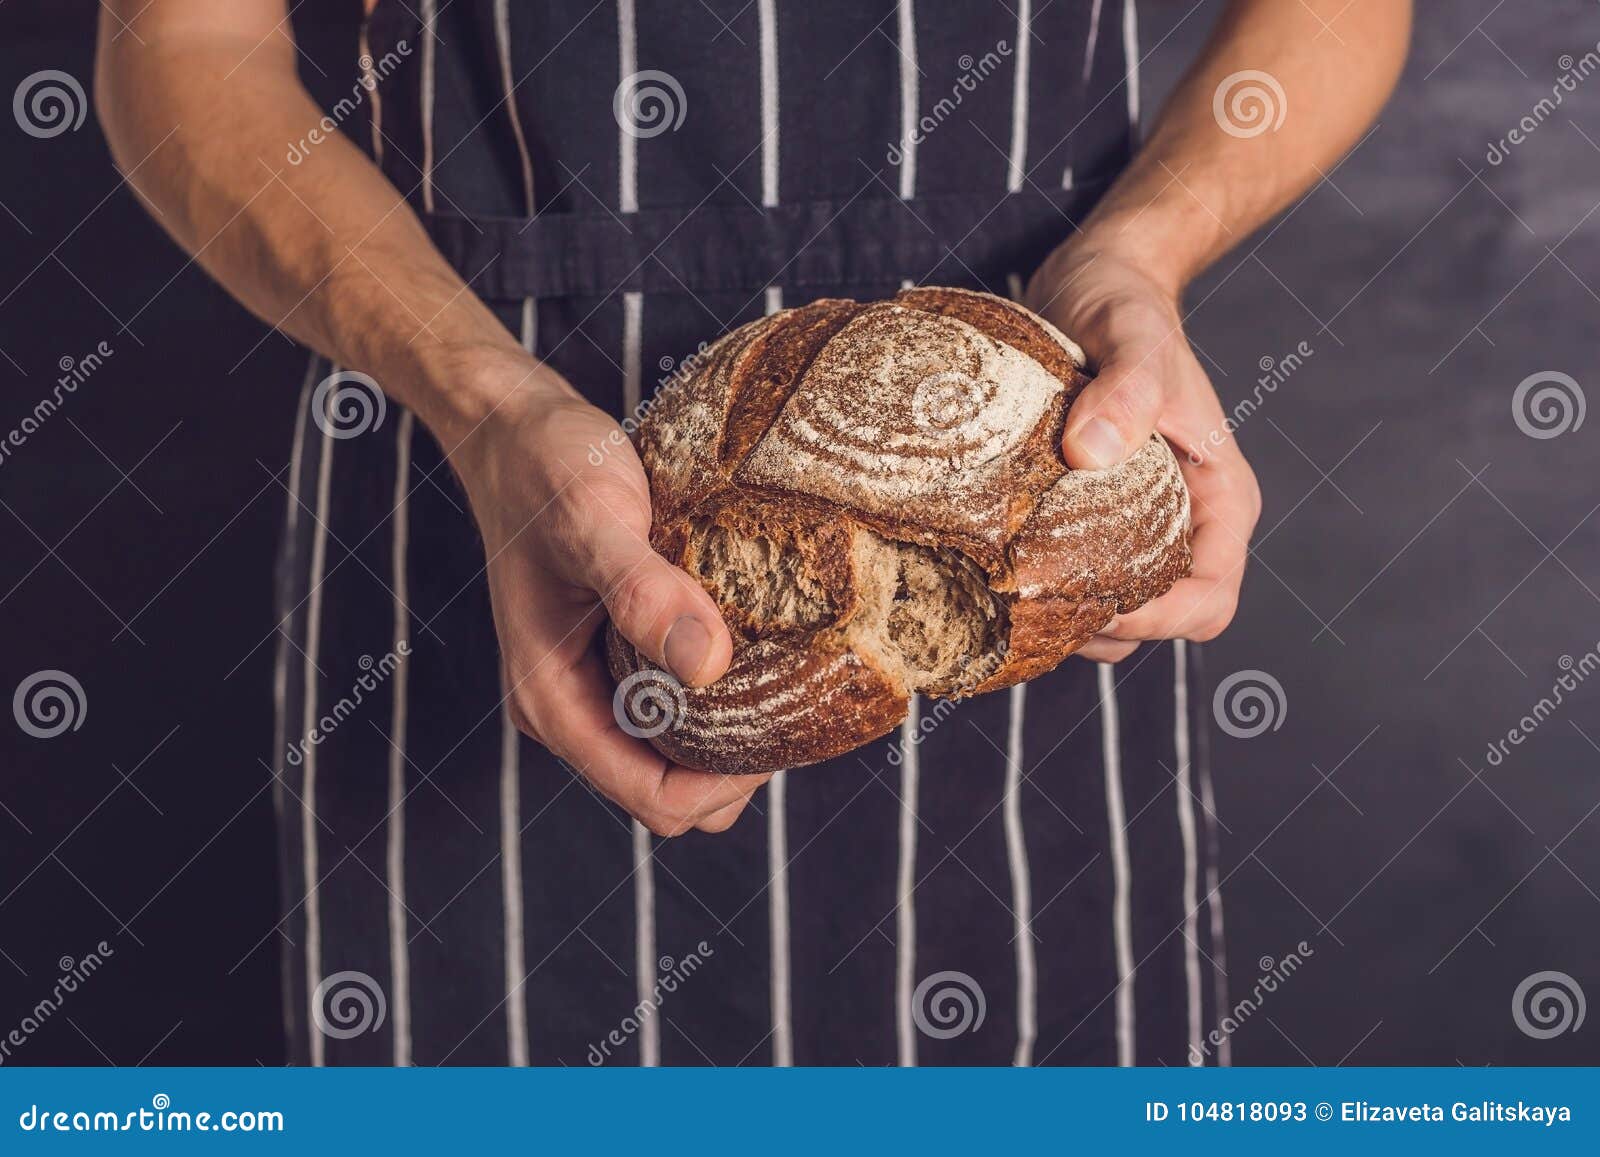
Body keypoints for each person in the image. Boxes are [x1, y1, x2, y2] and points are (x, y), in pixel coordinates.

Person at [95, 0, 1410, 1066]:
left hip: (1025, 497)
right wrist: (483, 400)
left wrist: (1141, 253)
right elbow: (191, 47)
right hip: (489, 481)